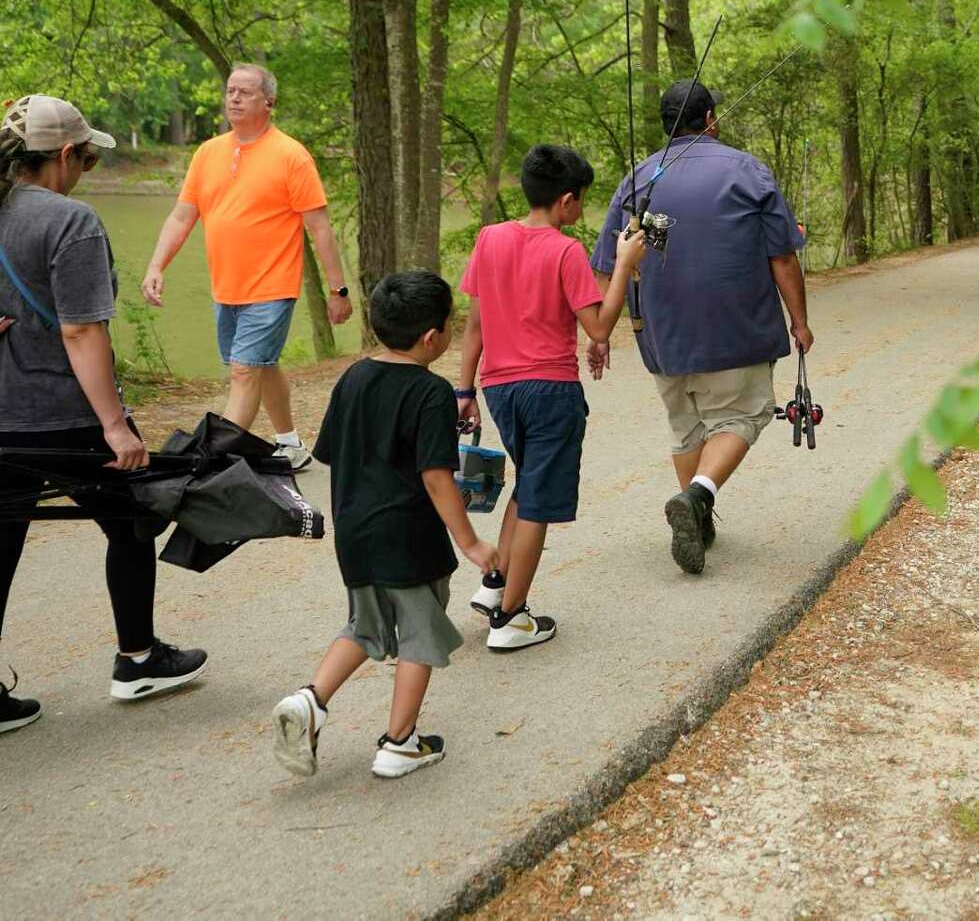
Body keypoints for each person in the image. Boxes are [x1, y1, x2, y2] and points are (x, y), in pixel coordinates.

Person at [0, 95, 209, 735]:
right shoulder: (70, 220)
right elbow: (81, 333)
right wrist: (116, 425)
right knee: (133, 521)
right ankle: (138, 657)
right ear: (64, 155)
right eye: (87, 157)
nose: (86, 169)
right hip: (68, 415)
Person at [270, 271, 499, 779]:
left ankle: (310, 701)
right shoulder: (431, 391)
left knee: (364, 626)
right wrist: (470, 541)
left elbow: (330, 453)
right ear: (432, 338)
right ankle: (400, 742)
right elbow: (436, 476)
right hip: (410, 537)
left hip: (356, 533)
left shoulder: (352, 377)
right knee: (419, 633)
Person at [590, 78, 811, 578]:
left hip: (661, 331)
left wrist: (600, 332)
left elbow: (606, 267)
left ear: (667, 125)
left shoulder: (637, 178)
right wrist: (799, 321)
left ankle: (698, 522)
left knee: (687, 424)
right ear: (710, 118)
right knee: (741, 416)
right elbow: (782, 257)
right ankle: (697, 497)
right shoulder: (748, 170)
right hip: (737, 327)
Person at [457, 145, 648, 651]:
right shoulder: (565, 251)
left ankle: (496, 583)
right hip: (551, 390)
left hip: (500, 388)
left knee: (528, 484)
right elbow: (600, 324)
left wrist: (463, 387)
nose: (581, 209)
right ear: (566, 201)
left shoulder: (490, 238)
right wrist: (626, 263)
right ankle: (511, 619)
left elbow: (475, 322)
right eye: (581, 200)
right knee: (539, 499)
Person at [141, 64, 353, 469]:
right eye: (230, 91)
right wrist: (157, 265)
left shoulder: (291, 155)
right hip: (227, 288)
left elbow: (320, 227)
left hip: (272, 286)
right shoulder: (208, 153)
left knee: (243, 373)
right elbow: (182, 216)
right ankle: (290, 444)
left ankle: (214, 462)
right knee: (261, 365)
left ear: (268, 102)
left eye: (245, 93)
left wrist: (337, 289)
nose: (234, 99)